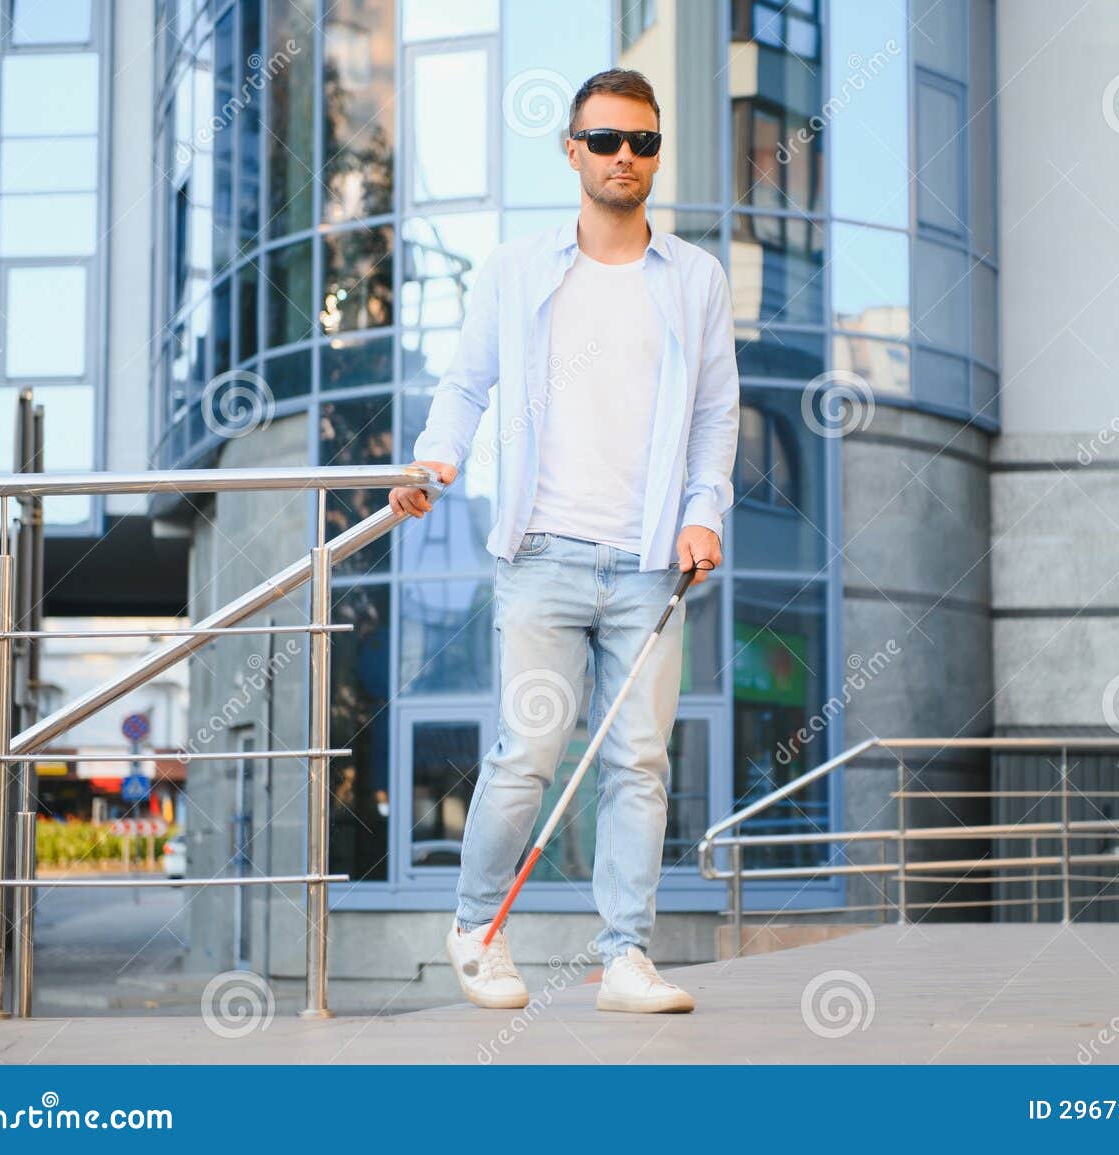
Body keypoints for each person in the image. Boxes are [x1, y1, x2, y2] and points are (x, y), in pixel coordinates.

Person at [387, 69, 739, 1014]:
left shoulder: (696, 278)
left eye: (644, 143)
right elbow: (465, 385)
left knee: (638, 763)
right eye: (608, 140)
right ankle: (475, 928)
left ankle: (625, 956)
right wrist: (433, 463)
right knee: (526, 756)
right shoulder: (518, 268)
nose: (627, 157)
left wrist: (705, 510)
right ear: (573, 149)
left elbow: (716, 416)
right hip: (541, 555)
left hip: (650, 562)